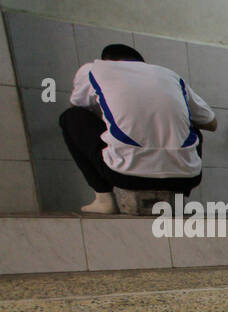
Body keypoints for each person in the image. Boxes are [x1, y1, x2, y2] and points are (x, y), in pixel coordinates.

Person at [60, 44, 216, 214]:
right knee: (192, 128)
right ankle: (179, 199)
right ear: (142, 63)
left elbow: (78, 106)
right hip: (185, 179)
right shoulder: (169, 75)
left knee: (72, 117)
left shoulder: (93, 69)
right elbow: (211, 123)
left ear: (107, 60)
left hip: (126, 175)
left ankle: (103, 198)